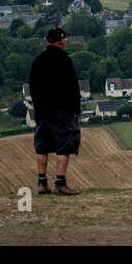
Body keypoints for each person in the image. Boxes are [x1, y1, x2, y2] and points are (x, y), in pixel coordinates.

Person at [28, 27, 82, 196]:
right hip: (62, 111)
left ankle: (41, 182)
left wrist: (39, 107)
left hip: (43, 111)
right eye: (64, 39)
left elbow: (33, 87)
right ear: (60, 41)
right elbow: (73, 87)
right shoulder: (65, 60)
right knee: (63, 147)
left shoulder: (38, 60)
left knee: (42, 147)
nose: (65, 42)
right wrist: (75, 110)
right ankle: (60, 183)